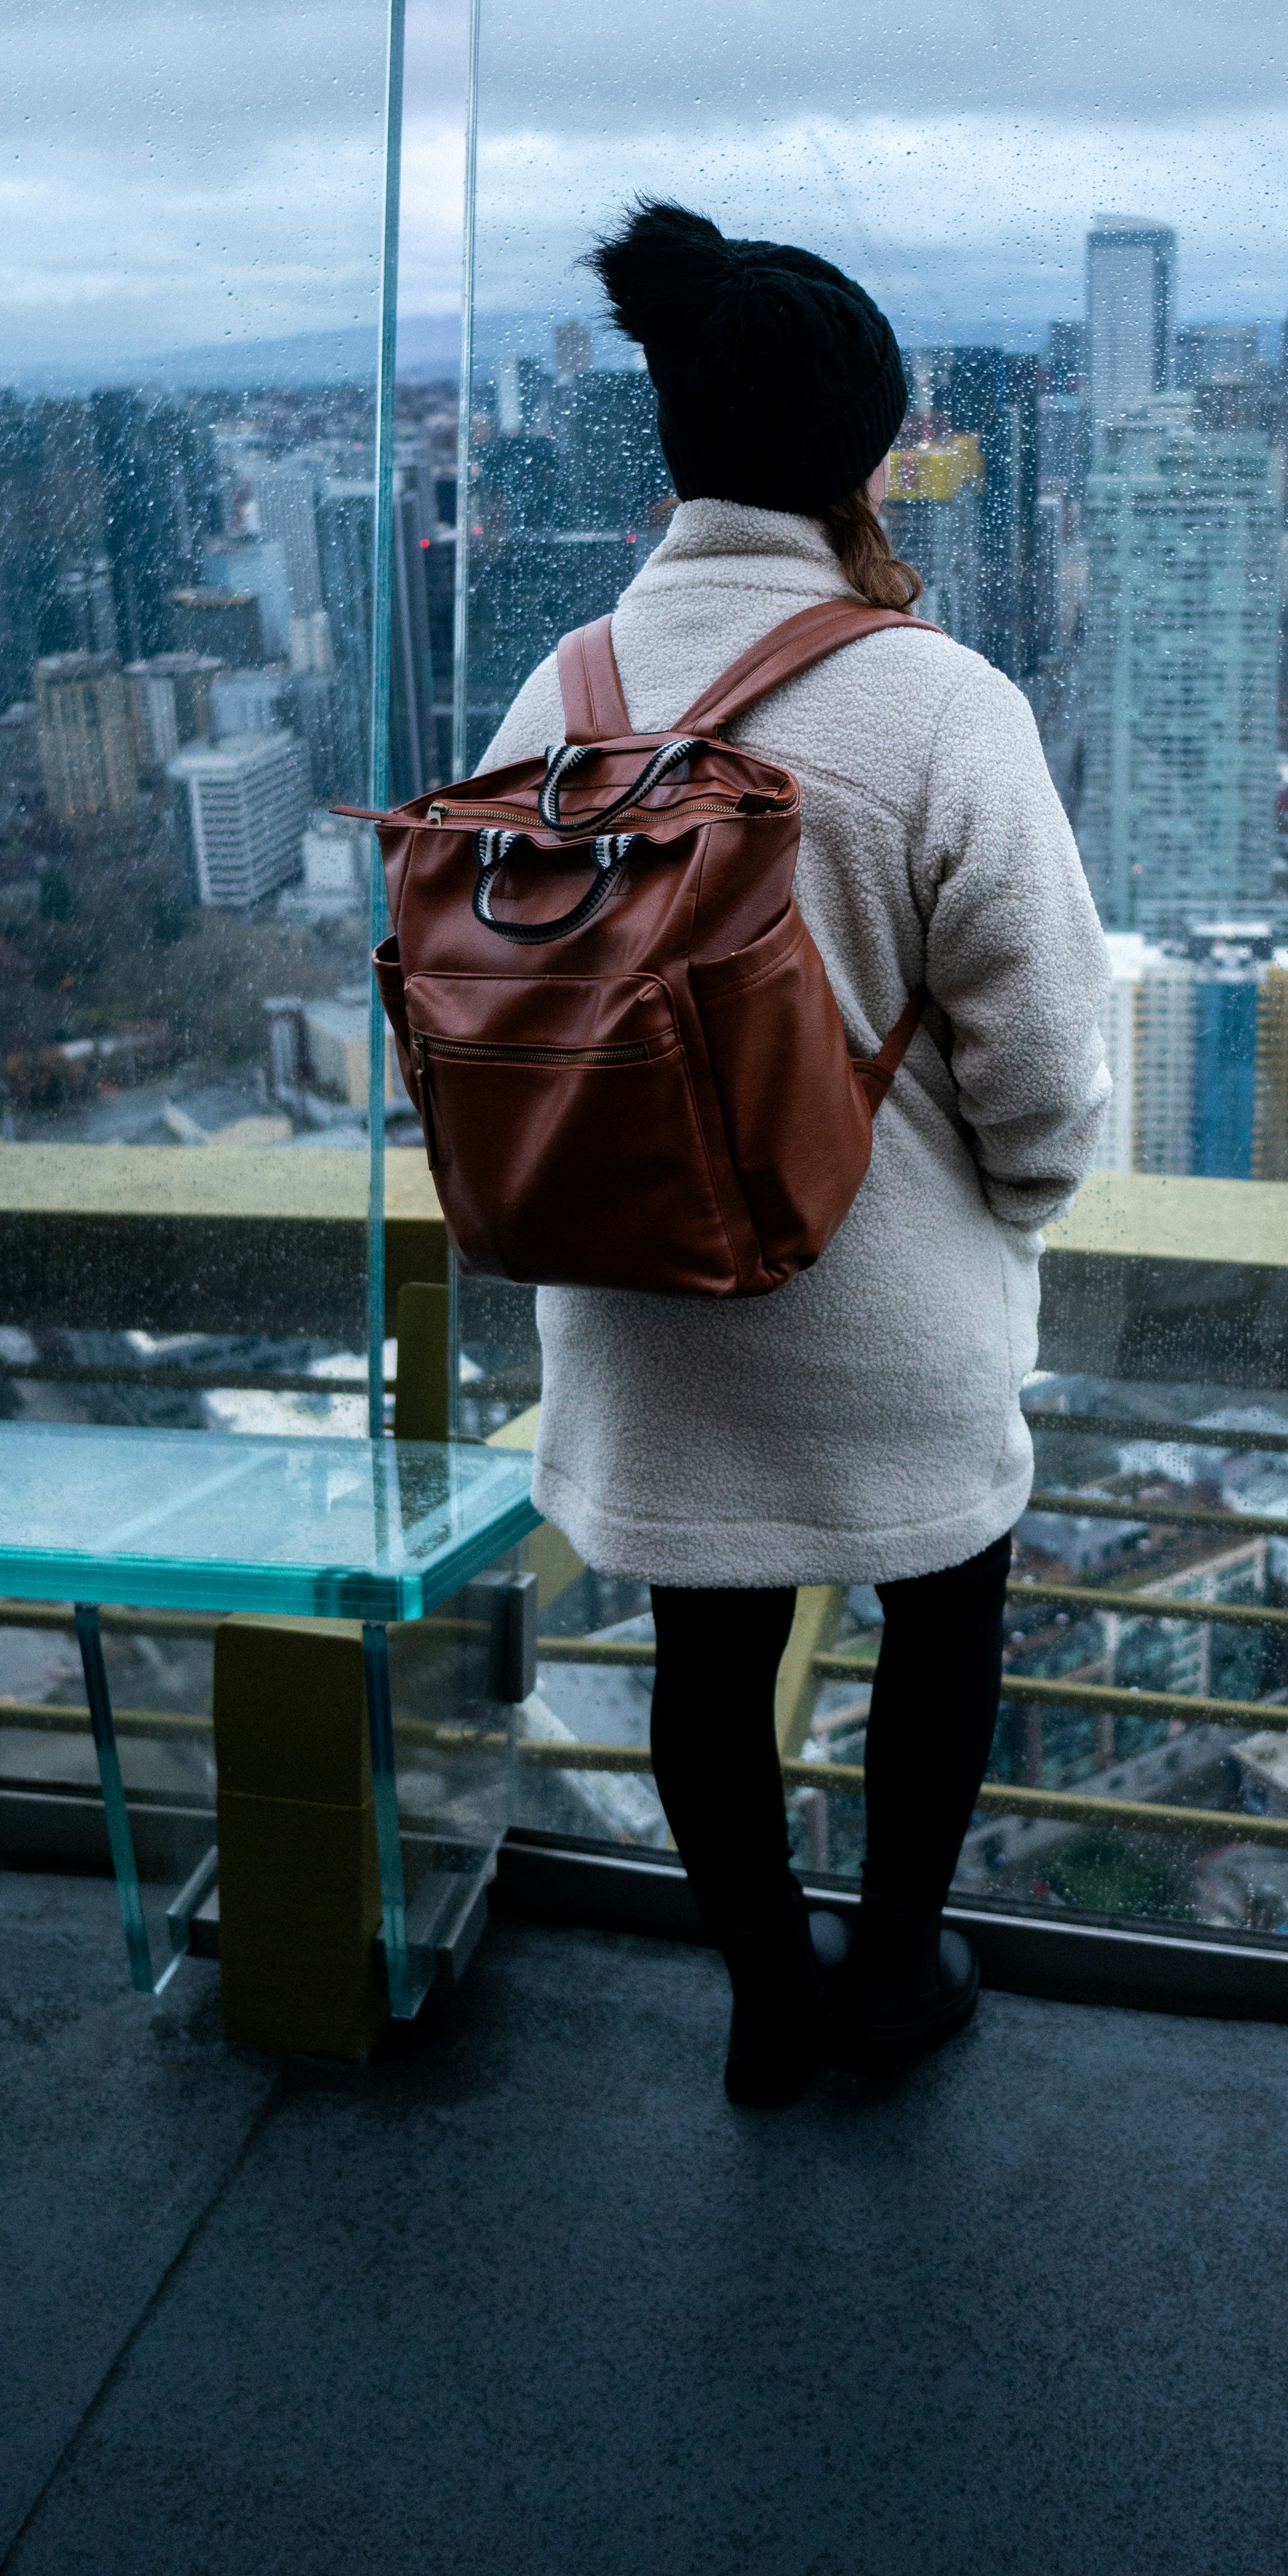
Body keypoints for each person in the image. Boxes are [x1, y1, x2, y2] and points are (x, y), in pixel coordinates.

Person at [477, 201, 1109, 2106]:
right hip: (883, 1303)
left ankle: (764, 1996)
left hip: (633, 1294)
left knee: (703, 1660)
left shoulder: (560, 695)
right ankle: (896, 1964)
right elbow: (1047, 1072)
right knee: (943, 1625)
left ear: (670, 434)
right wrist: (1010, 1209)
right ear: (868, 452)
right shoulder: (938, 705)